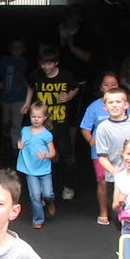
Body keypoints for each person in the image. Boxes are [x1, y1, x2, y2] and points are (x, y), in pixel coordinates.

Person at [27, 47, 82, 202]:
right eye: (43, 64)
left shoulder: (65, 75)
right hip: (42, 124)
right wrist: (27, 103)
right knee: (42, 157)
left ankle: (69, 186)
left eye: (49, 64)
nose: (45, 67)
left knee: (67, 157)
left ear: (56, 63)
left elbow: (76, 86)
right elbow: (31, 85)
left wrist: (69, 96)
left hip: (61, 123)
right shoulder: (37, 75)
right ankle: (45, 192)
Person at [90, 86, 130, 227]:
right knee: (119, 216)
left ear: (126, 105)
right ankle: (126, 245)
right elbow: (102, 156)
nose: (114, 105)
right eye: (111, 102)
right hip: (115, 177)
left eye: (118, 102)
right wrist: (113, 170)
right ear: (105, 107)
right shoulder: (103, 128)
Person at [77, 71, 122, 225]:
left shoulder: (124, 104)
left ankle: (122, 213)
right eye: (106, 84)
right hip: (100, 152)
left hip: (121, 152)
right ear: (101, 87)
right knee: (102, 181)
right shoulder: (94, 107)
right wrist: (90, 139)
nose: (110, 87)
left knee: (122, 181)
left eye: (113, 84)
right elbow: (84, 127)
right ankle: (104, 211)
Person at [16, 102, 57, 228]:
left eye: (39, 117)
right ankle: (38, 219)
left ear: (45, 117)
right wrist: (19, 144)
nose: (36, 119)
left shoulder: (46, 134)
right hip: (30, 169)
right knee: (35, 195)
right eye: (33, 116)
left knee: (47, 194)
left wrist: (45, 155)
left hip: (44, 169)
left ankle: (50, 202)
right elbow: (21, 141)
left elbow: (53, 152)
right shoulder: (25, 130)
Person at [0, 37, 31, 146]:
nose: (17, 49)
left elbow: (30, 79)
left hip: (20, 97)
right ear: (10, 48)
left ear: (23, 49)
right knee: (6, 122)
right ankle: (6, 135)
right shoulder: (5, 60)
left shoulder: (26, 61)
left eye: (19, 47)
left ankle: (16, 147)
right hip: (6, 97)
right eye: (14, 47)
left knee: (16, 124)